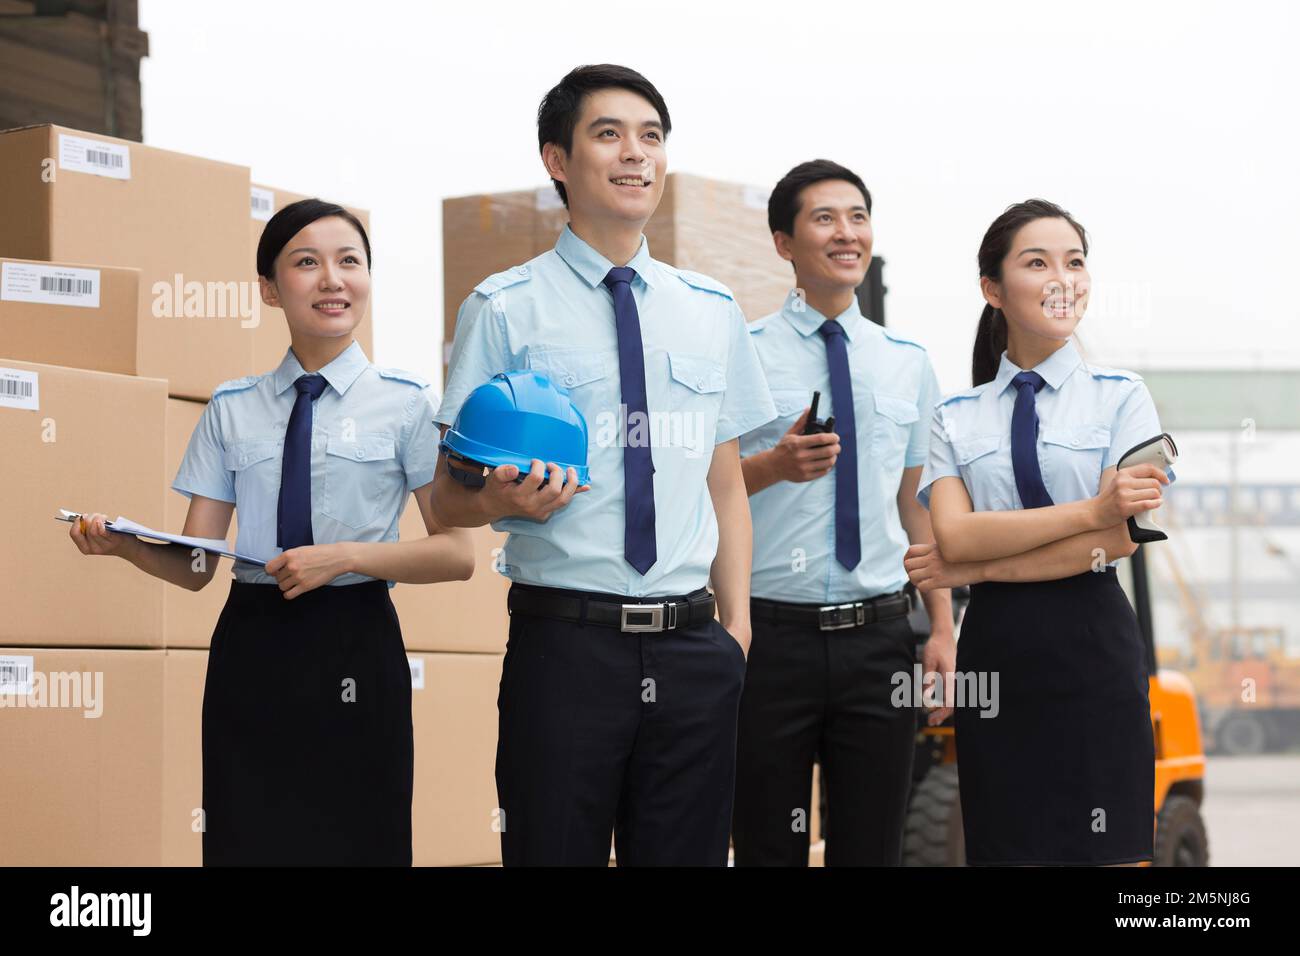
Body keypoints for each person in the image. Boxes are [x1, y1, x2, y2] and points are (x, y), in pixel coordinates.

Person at [432, 64, 777, 866]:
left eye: (651, 137)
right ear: (558, 159)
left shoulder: (712, 311)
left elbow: (724, 484)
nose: (636, 154)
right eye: (609, 134)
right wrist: (506, 502)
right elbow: (448, 499)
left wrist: (739, 631)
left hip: (695, 651)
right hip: (566, 648)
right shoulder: (504, 307)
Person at [69, 198, 475, 866]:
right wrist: (126, 544)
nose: (332, 279)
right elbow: (197, 565)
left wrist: (340, 559)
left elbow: (457, 553)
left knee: (360, 838)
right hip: (253, 645)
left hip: (356, 641)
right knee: (245, 839)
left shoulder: (407, 404)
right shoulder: (231, 409)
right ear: (269, 288)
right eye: (306, 263)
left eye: (349, 262)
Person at [909, 199, 1169, 866]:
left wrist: (980, 567)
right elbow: (956, 539)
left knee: (1104, 852)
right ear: (992, 289)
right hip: (998, 656)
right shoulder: (953, 417)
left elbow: (1117, 543)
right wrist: (1090, 510)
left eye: (1075, 262)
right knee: (1006, 849)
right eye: (1037, 262)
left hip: (1095, 644)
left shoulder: (1123, 397)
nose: (1063, 279)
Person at [734, 160, 953, 866]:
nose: (846, 233)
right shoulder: (742, 355)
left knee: (873, 846)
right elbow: (702, 492)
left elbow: (917, 508)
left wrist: (944, 627)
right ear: (784, 242)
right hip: (770, 639)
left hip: (880, 638)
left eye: (857, 217)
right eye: (824, 218)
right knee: (771, 843)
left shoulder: (907, 363)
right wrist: (775, 465)